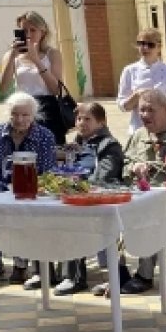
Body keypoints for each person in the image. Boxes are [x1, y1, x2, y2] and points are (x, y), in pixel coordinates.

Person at [90, 88, 166, 298]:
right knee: (107, 219)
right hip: (136, 194)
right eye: (142, 110)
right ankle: (118, 275)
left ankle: (144, 276)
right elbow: (125, 164)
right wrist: (133, 168)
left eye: (151, 110)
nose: (145, 115)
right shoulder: (138, 136)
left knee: (148, 217)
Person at [0, 91, 57, 284]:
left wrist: (33, 189)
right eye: (15, 114)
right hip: (2, 187)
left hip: (34, 190)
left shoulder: (45, 136)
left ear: (34, 115)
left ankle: (32, 266)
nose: (20, 119)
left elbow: (48, 171)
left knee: (30, 214)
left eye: (25, 115)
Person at [56, 102, 125, 296]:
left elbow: (105, 175)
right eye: (79, 119)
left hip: (100, 201)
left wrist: (78, 184)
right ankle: (51, 272)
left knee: (72, 221)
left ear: (101, 121)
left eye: (88, 119)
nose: (82, 123)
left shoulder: (109, 145)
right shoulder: (76, 145)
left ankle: (74, 277)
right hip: (75, 196)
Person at [0, 10, 69, 144]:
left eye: (33, 30)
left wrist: (37, 61)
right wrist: (13, 56)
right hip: (21, 108)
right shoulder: (11, 55)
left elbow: (56, 89)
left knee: (49, 149)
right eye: (24, 31)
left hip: (47, 108)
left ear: (42, 32)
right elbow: (2, 88)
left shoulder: (52, 54)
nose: (28, 35)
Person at [117, 27, 166, 135]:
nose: (145, 48)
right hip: (139, 130)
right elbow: (122, 106)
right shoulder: (129, 71)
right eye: (141, 43)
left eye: (150, 45)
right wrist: (137, 96)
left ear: (159, 47)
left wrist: (164, 100)